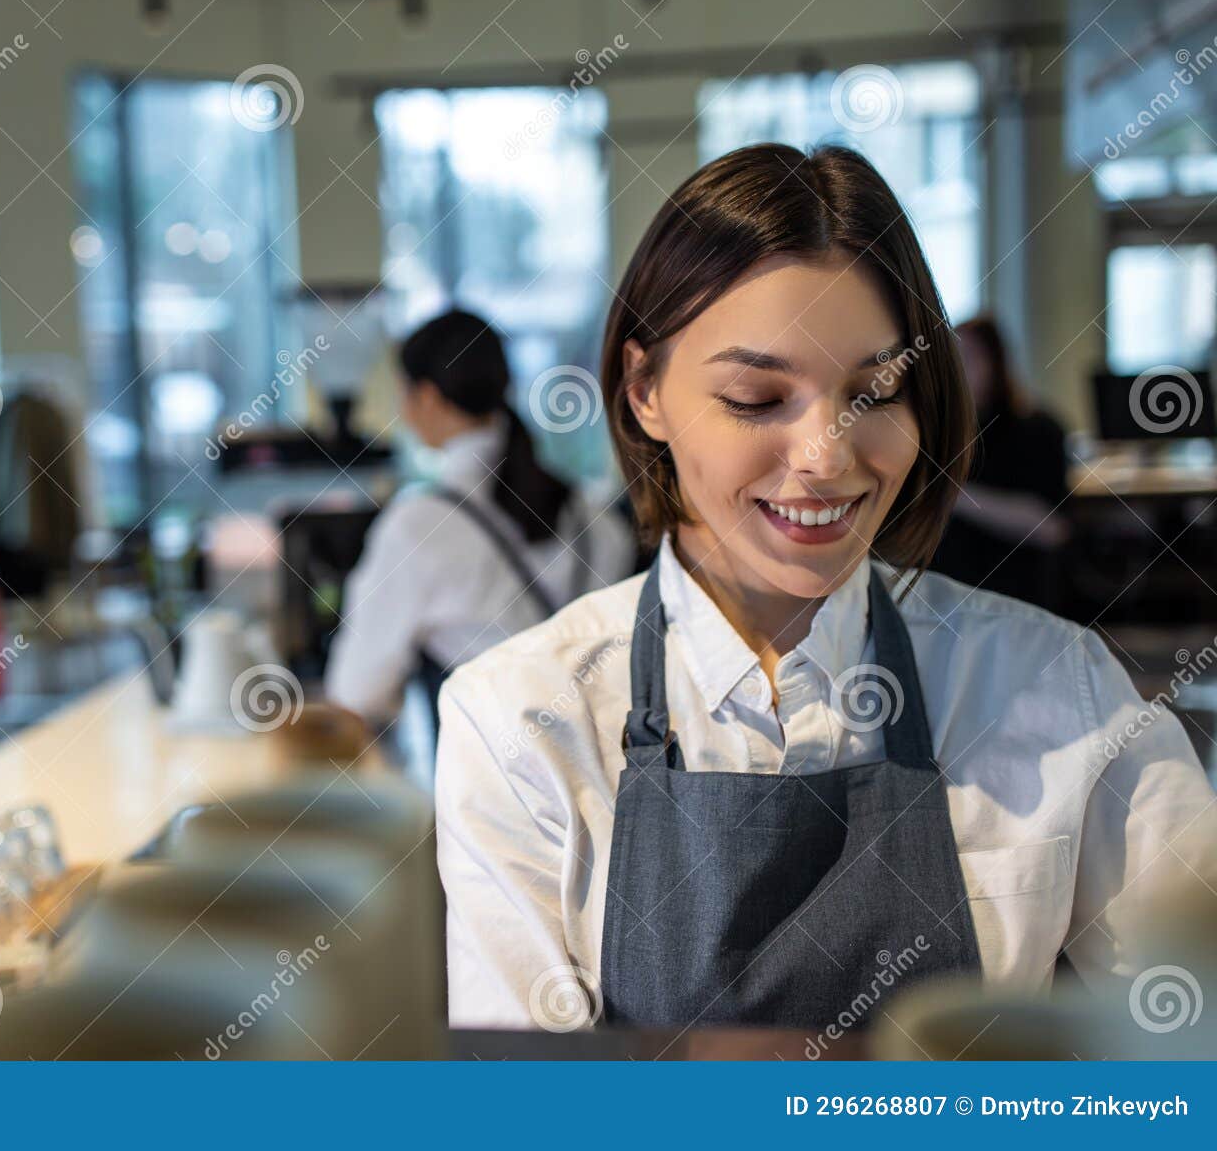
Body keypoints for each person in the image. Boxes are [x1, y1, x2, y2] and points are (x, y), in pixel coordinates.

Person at [435, 143, 1217, 1032]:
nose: (826, 456)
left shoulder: (1055, 686)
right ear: (644, 389)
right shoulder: (522, 718)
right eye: (757, 398)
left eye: (875, 391)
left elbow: (1197, 1034)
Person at [323, 310, 633, 731]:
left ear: (427, 398)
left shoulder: (416, 528)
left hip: (490, 786)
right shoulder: (594, 516)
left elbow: (358, 691)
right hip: (608, 775)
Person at [929, 315, 1072, 612]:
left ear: (996, 362)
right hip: (947, 597)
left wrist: (954, 494)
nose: (956, 371)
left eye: (967, 358)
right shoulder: (944, 430)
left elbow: (1051, 527)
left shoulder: (1036, 429)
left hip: (1012, 596)